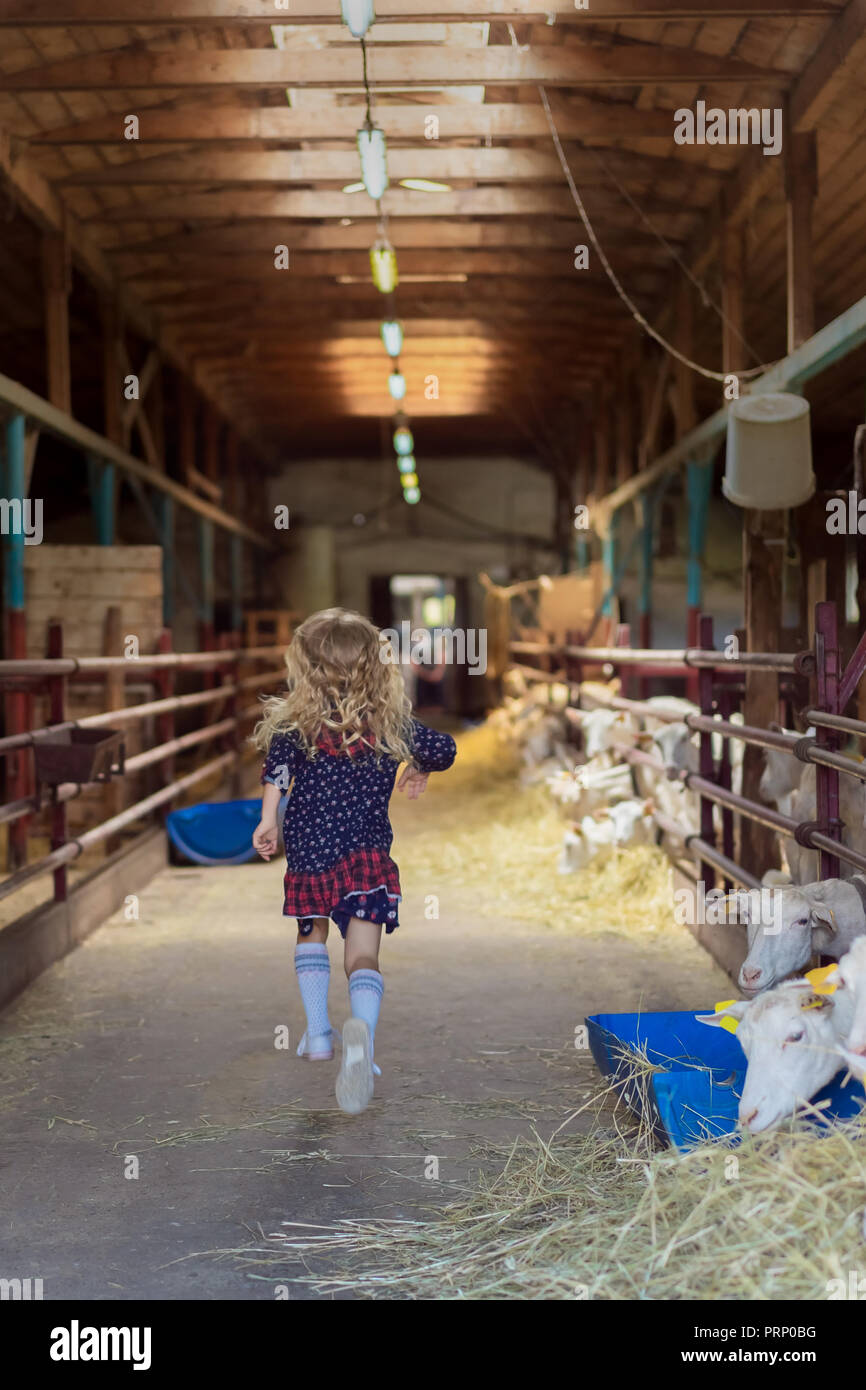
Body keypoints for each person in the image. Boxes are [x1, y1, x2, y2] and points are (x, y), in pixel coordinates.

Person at [252, 607, 456, 1114]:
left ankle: (319, 1033)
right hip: (367, 855)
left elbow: (277, 773)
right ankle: (361, 1032)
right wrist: (420, 769)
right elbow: (445, 747)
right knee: (363, 957)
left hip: (310, 854)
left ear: (306, 665)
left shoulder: (297, 724)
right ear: (376, 665)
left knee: (310, 934)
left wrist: (268, 821)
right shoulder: (390, 725)